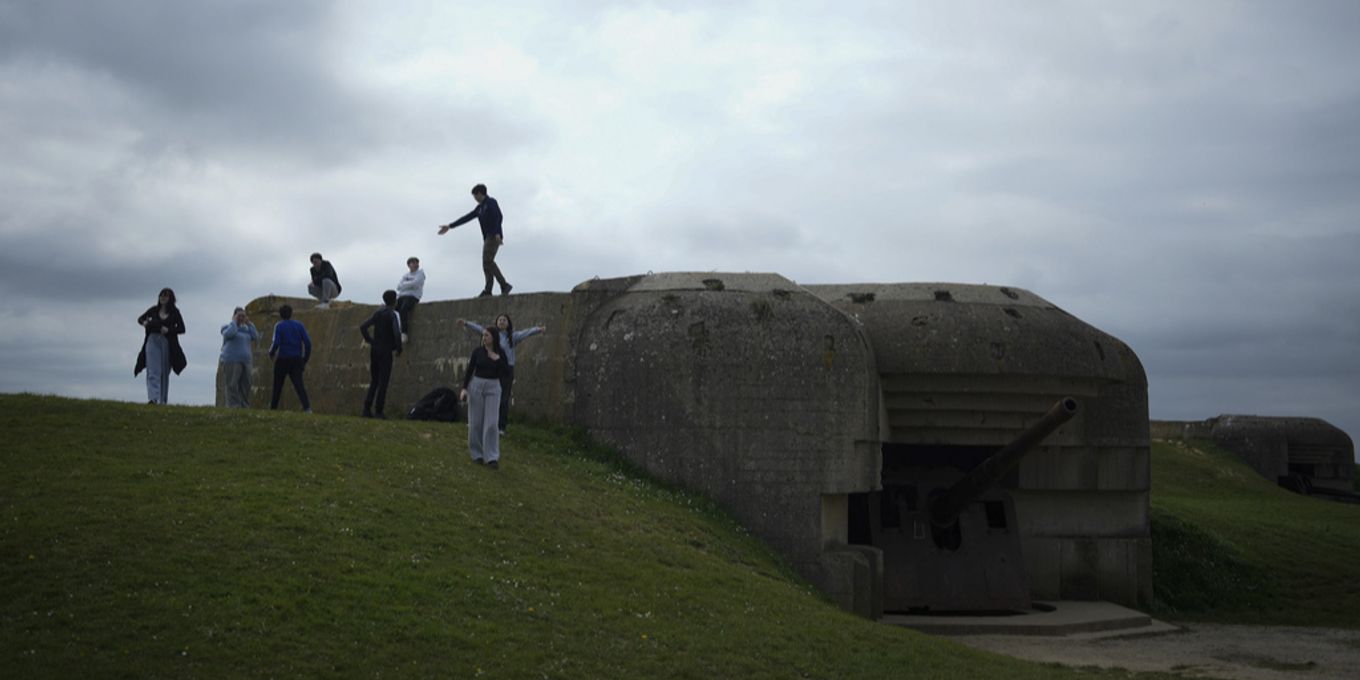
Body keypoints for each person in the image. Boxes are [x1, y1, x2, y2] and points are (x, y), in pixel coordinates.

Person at [458, 314, 545, 435]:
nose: (502, 322)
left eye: (504, 320)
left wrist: (538, 329)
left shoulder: (513, 337)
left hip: (507, 370)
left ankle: (501, 428)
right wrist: (466, 323)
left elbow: (526, 333)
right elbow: (479, 329)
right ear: (496, 322)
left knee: (503, 399)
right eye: (500, 320)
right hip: (494, 368)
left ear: (508, 323)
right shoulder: (492, 335)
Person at [438, 183, 512, 297]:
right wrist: (450, 226)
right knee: (486, 263)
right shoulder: (479, 208)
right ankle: (489, 290)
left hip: (493, 235)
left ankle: (503, 285)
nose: (475, 199)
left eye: (474, 196)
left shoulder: (491, 202)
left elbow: (498, 216)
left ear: (479, 193)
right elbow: (466, 217)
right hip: (487, 237)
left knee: (488, 261)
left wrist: (497, 233)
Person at [460, 326, 509, 469]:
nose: (484, 338)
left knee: (492, 423)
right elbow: (470, 370)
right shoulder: (477, 352)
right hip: (477, 385)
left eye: (487, 335)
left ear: (493, 337)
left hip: (493, 387)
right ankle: (477, 454)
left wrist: (498, 359)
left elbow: (506, 373)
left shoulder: (501, 353)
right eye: (483, 335)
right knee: (475, 422)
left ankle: (492, 457)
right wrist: (464, 388)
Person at [135, 287, 187, 404]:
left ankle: (162, 400)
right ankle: (153, 398)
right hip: (152, 341)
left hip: (167, 343)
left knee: (164, 372)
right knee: (153, 370)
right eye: (161, 295)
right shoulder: (153, 310)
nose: (163, 297)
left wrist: (169, 330)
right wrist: (144, 323)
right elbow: (140, 319)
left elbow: (182, 329)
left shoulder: (175, 312)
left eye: (166, 295)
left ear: (170, 298)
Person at [359, 289, 403, 418]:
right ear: (394, 301)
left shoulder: (378, 313)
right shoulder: (392, 314)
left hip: (375, 350)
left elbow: (363, 327)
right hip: (386, 351)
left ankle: (366, 409)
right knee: (383, 382)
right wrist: (398, 348)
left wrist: (370, 341)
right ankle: (379, 411)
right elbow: (396, 332)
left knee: (374, 381)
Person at [268, 304, 313, 412]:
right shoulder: (299, 325)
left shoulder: (279, 326)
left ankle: (273, 409)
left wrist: (271, 353)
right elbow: (307, 342)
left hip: (283, 359)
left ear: (280, 314)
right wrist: (305, 359)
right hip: (296, 359)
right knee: (299, 386)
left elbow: (276, 342)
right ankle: (307, 408)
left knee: (278, 386)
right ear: (291, 313)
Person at [219, 307, 259, 408]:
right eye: (239, 316)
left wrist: (249, 323)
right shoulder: (227, 327)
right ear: (234, 316)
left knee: (246, 385)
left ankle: (244, 406)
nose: (241, 318)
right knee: (232, 384)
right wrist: (234, 322)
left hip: (246, 361)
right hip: (231, 360)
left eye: (243, 316)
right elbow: (230, 334)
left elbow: (255, 336)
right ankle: (233, 406)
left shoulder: (247, 330)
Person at [394, 256, 425, 343]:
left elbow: (416, 284)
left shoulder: (420, 274)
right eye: (413, 263)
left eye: (416, 262)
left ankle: (404, 333)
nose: (415, 264)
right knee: (393, 309)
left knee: (404, 309)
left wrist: (405, 285)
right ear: (409, 265)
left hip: (413, 296)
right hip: (402, 296)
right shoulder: (405, 275)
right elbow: (399, 286)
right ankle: (395, 331)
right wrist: (409, 285)